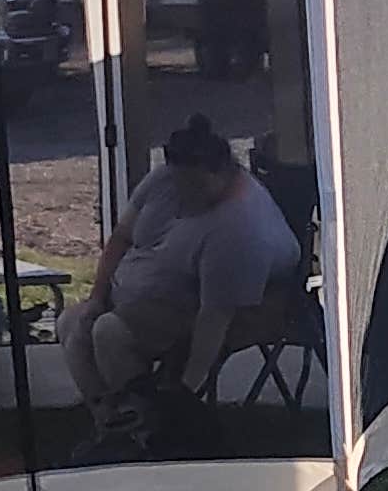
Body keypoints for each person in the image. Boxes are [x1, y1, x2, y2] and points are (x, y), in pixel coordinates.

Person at [60, 114, 301, 416]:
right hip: (136, 294)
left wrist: (187, 388)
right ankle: (108, 420)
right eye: (179, 182)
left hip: (199, 306)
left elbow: (215, 316)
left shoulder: (238, 227)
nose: (185, 192)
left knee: (110, 333)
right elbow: (121, 237)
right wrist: (96, 298)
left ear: (222, 172)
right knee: (72, 323)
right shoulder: (164, 181)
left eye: (195, 185)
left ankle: (150, 420)